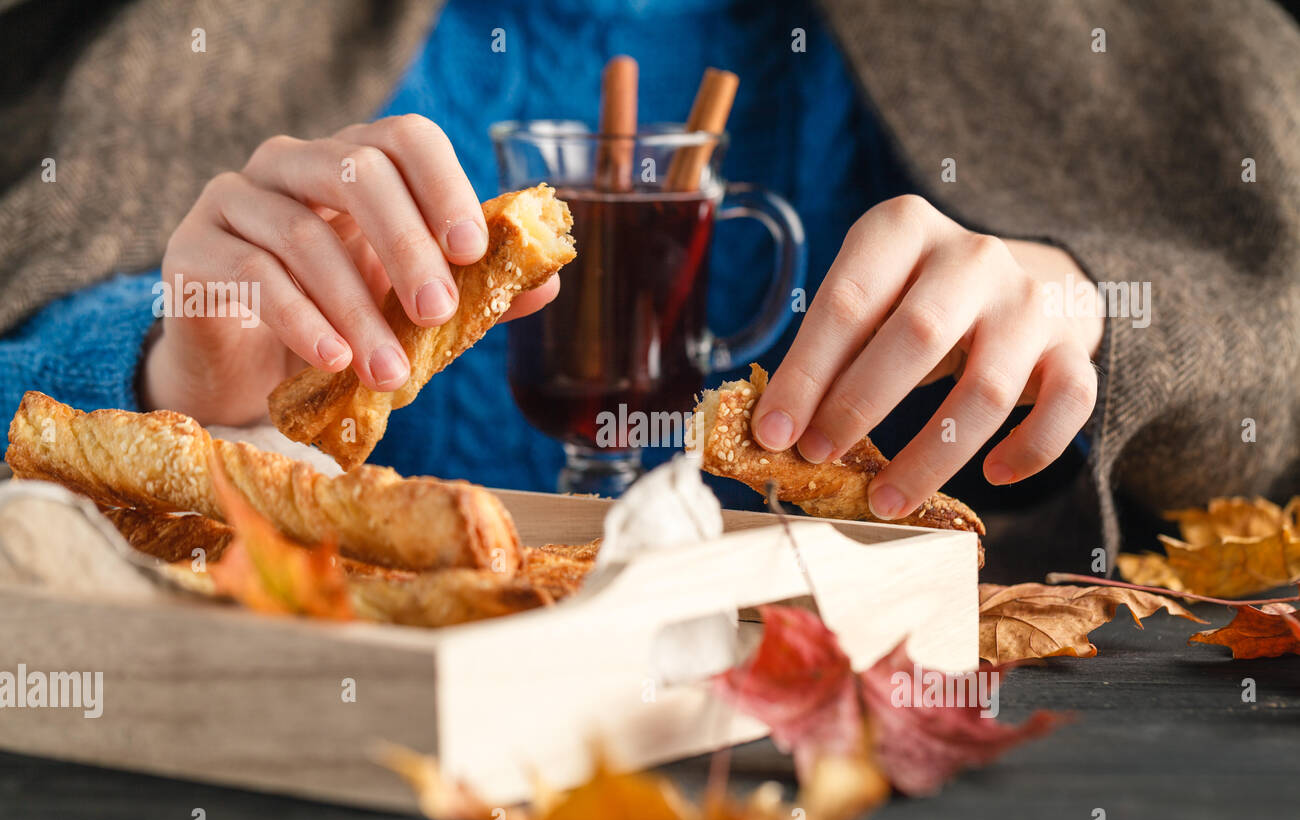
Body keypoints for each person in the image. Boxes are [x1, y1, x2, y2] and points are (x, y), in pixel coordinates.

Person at [2, 0, 1297, 578]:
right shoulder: (178, 34)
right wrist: (164, 371)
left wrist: (1103, 314)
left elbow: (1268, 322)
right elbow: (21, 331)